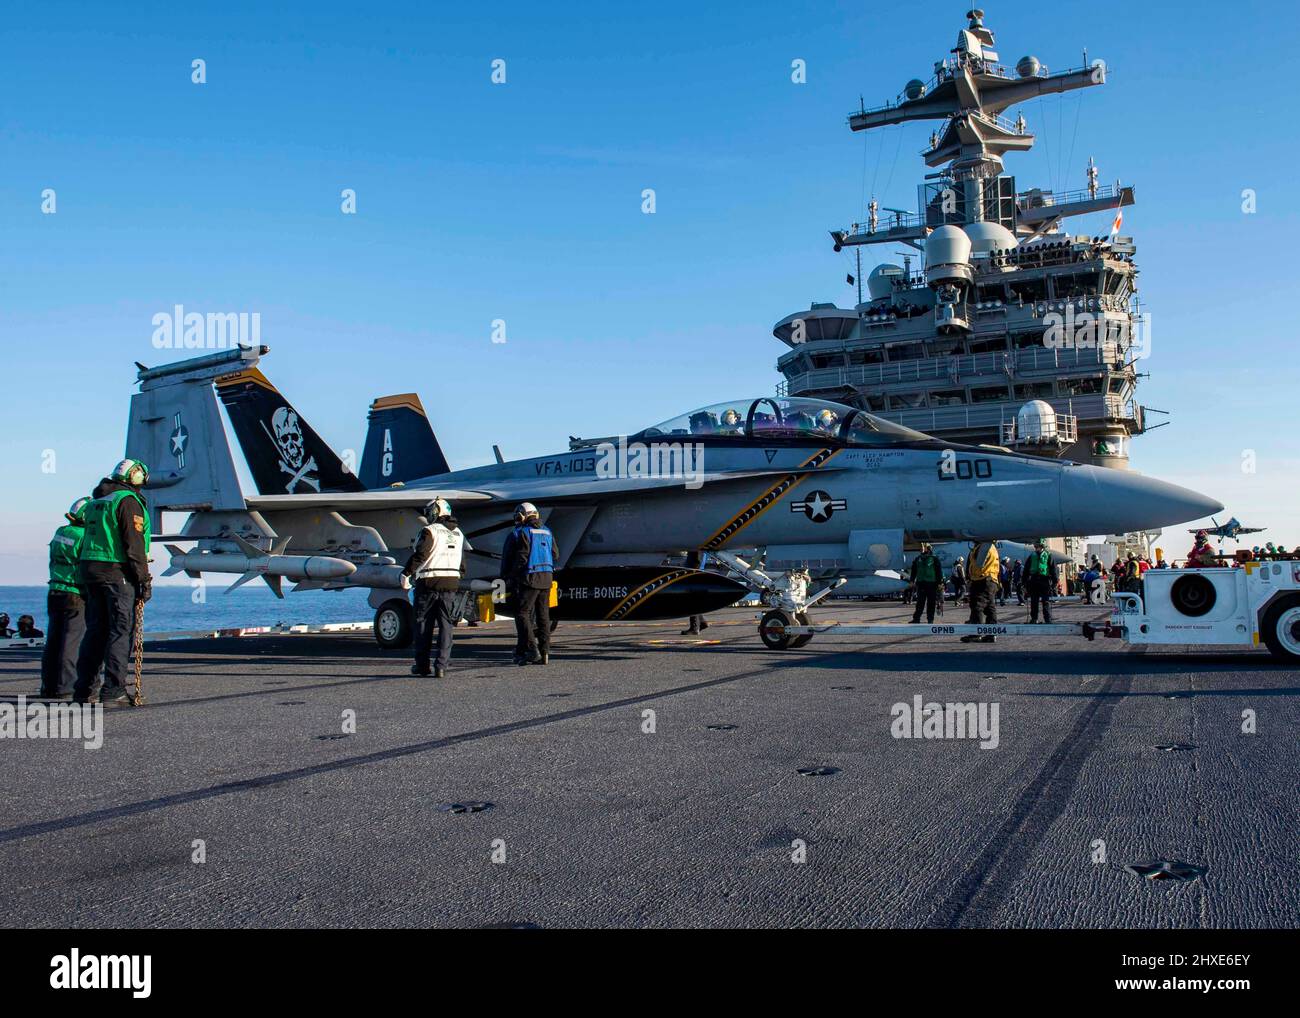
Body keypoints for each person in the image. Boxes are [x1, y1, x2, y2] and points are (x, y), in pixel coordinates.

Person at [74, 459, 152, 706]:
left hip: (90, 570)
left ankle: (84, 690)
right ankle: (113, 690)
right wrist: (143, 579)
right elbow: (134, 544)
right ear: (136, 477)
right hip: (116, 571)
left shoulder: (98, 501)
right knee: (121, 631)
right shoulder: (127, 501)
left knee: (96, 631)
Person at [401, 498, 468, 679]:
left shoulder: (430, 531)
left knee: (423, 624)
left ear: (437, 511)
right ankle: (441, 665)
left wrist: (406, 572)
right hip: (451, 582)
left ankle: (422, 666)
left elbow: (421, 554)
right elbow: (462, 562)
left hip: (429, 582)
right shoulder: (459, 533)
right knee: (446, 625)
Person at [39, 497, 90, 699]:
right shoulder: (85, 536)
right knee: (72, 643)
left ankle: (48, 686)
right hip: (75, 594)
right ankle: (65, 687)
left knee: (53, 641)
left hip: (55, 591)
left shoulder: (61, 532)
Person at [501, 502, 557, 665]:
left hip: (529, 577)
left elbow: (519, 558)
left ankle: (532, 650)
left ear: (522, 515)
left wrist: (509, 576)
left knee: (522, 613)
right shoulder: (547, 531)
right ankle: (545, 651)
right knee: (543, 616)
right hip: (547, 577)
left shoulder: (520, 533)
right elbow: (556, 554)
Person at [960, 540, 999, 643]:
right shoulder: (989, 546)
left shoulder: (984, 547)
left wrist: (971, 578)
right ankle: (991, 633)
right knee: (990, 608)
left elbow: (978, 566)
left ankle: (976, 633)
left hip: (982, 579)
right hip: (990, 580)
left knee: (977, 605)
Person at [1023, 539, 1059, 623]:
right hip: (1034, 580)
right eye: (1036, 546)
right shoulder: (1032, 556)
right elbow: (1026, 570)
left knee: (1045, 601)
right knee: (1034, 601)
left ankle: (1048, 619)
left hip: (1044, 580)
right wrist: (1024, 582)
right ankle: (1034, 618)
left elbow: (1053, 569)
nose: (1036, 548)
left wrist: (1055, 581)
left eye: (1038, 546)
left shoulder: (1049, 555)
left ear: (1042, 546)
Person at [909, 543, 942, 624]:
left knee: (931, 603)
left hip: (932, 584)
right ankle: (916, 619)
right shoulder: (917, 559)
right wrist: (912, 581)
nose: (921, 549)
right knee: (920, 603)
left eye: (923, 547)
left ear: (928, 548)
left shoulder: (934, 559)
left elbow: (939, 572)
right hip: (921, 584)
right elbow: (914, 571)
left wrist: (940, 583)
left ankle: (930, 619)